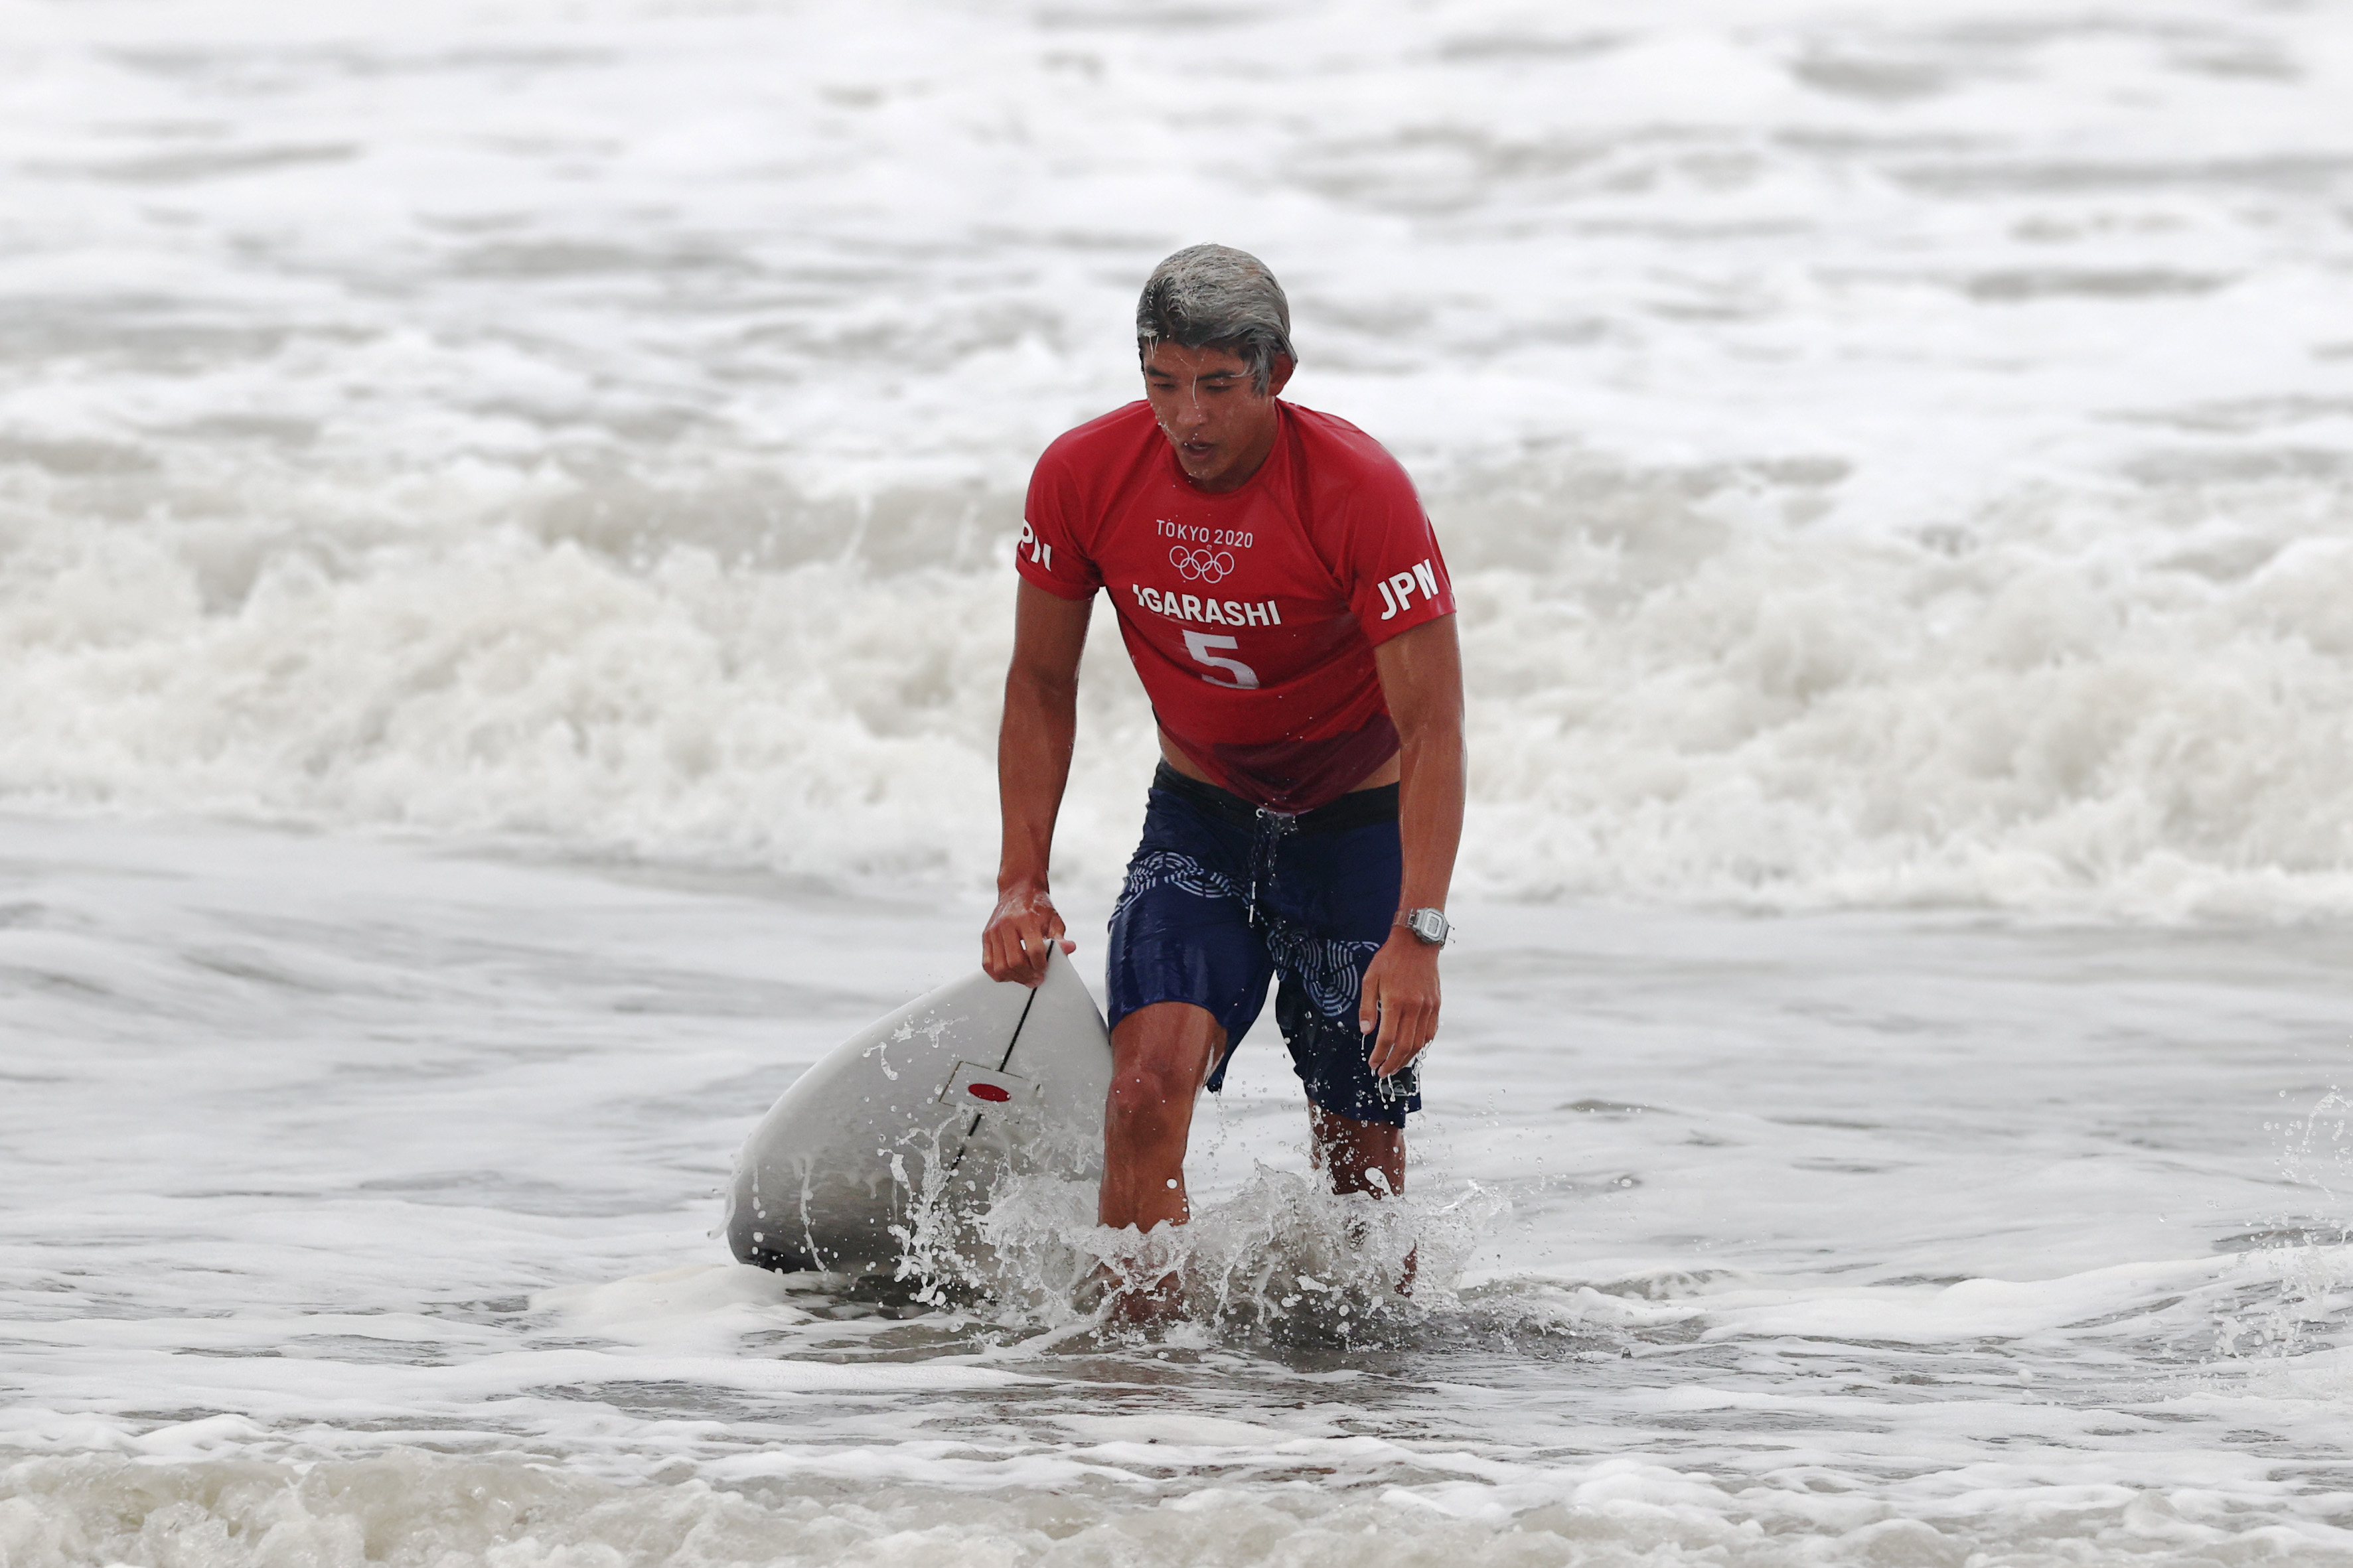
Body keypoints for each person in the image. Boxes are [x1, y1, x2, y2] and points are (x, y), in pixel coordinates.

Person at [980, 244, 1464, 1309]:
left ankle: (1364, 1393)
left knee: (1358, 1173)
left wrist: (1417, 933)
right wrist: (1021, 881)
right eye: (1161, 383)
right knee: (1141, 1095)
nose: (1186, 418)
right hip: (1199, 817)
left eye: (1215, 385)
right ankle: (1136, 1384)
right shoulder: (1084, 474)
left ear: (1275, 373)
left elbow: (1433, 726)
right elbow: (1040, 682)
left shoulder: (1358, 490)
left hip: (1354, 834)